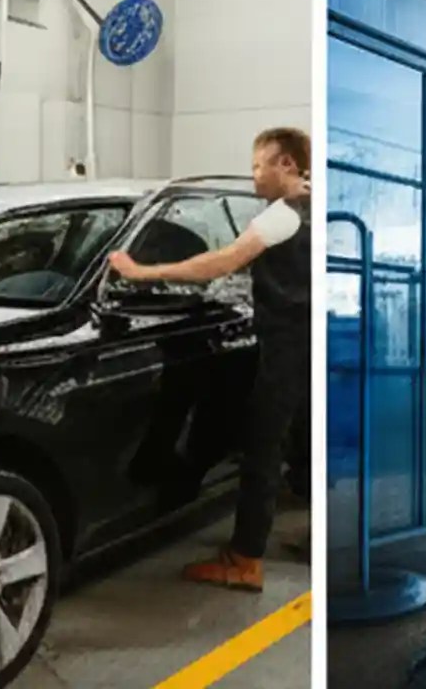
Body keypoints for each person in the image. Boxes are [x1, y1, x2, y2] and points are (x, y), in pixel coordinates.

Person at [108, 127, 311, 592]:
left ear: (285, 164)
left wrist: (140, 272)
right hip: (309, 344)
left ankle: (245, 561)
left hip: (285, 346)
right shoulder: (313, 203)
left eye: (259, 165)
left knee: (262, 449)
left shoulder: (284, 214)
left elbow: (220, 263)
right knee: (304, 442)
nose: (254, 176)